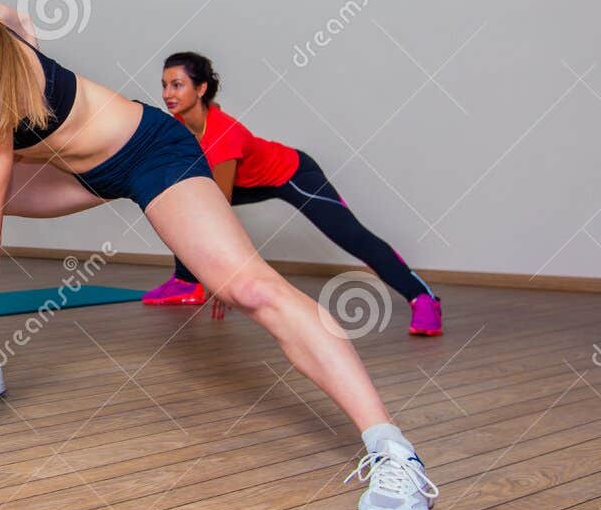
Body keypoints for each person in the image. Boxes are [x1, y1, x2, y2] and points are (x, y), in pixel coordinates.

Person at [0, 0, 437, 510]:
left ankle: (392, 452)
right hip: (81, 168)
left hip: (150, 154)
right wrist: (20, 26)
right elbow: (6, 14)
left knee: (247, 288)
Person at [146, 52, 443, 336]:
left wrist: (223, 276)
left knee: (351, 235)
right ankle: (187, 282)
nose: (168, 93)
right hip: (244, 182)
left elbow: (219, 214)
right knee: (179, 198)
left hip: (292, 175)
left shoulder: (222, 135)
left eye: (177, 85)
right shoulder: (182, 125)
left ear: (201, 88)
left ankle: (423, 298)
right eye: (164, 85)